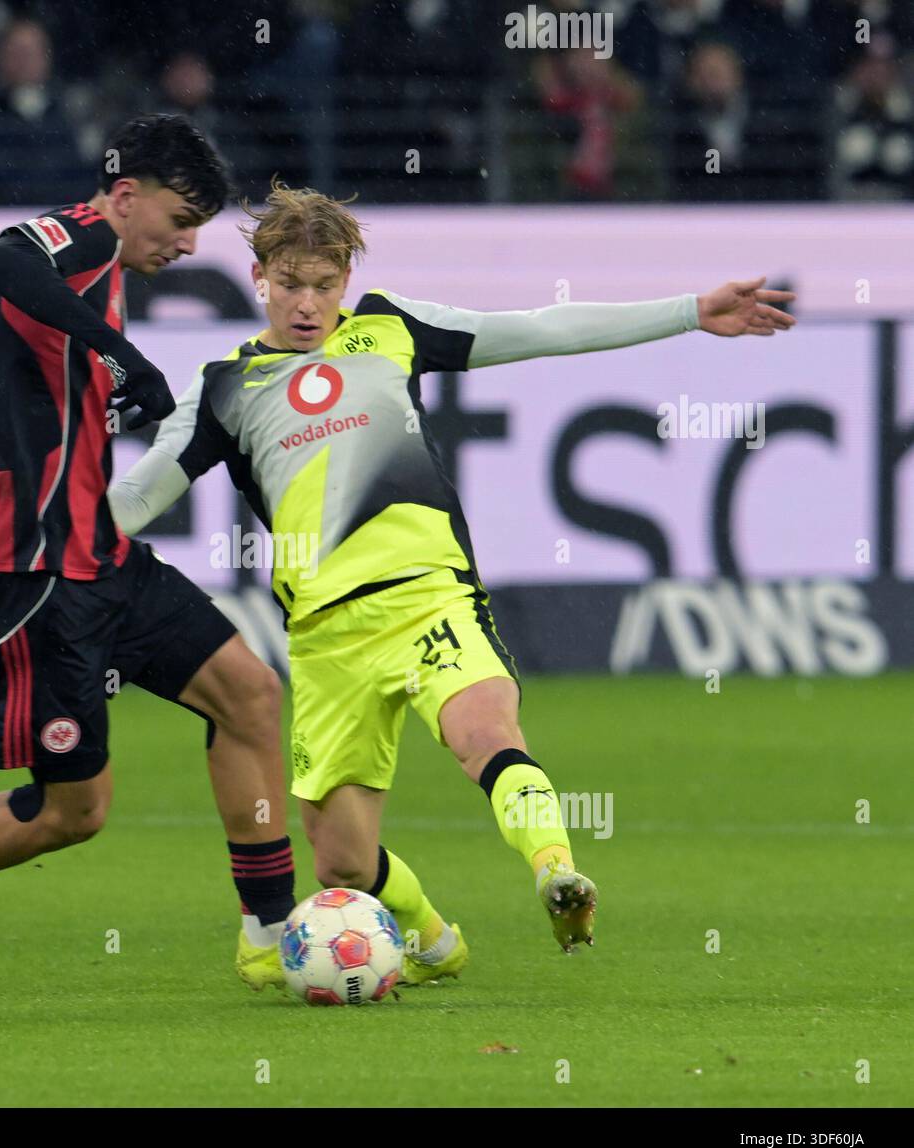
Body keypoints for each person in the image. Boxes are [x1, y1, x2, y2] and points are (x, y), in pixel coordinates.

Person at [109, 180, 796, 980]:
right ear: (259, 276)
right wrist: (28, 537)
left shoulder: (392, 330)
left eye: (324, 284)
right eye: (290, 283)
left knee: (487, 735)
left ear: (346, 279)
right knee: (339, 862)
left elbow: (543, 327)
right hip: (328, 639)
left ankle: (556, 871)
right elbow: (137, 497)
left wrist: (688, 311)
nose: (307, 303)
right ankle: (433, 937)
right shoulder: (224, 387)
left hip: (431, 597)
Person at [0, 116, 295, 1004]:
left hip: (100, 558)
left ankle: (270, 937)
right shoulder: (77, 241)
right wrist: (122, 353)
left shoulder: (83, 292)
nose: (187, 244)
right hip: (34, 581)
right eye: (179, 220)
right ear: (124, 194)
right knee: (76, 809)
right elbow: (2, 256)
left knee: (252, 695)